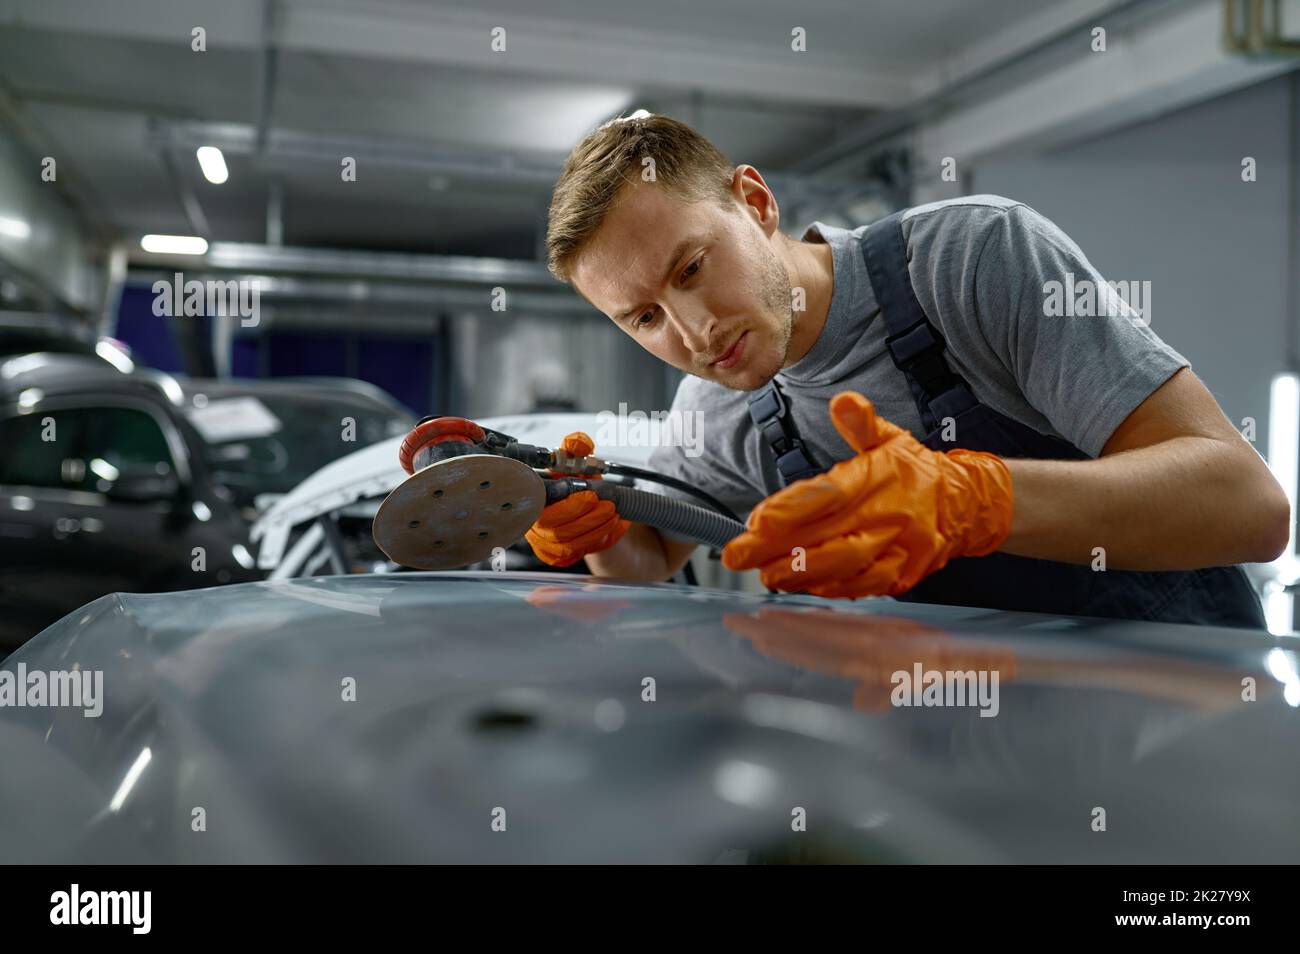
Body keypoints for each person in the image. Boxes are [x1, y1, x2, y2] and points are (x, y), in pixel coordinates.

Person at [526, 113, 1289, 628]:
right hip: (976, 764)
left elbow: (1249, 506)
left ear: (755, 202)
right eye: (645, 318)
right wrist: (597, 531)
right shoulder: (718, 411)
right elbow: (654, 560)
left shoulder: (973, 259)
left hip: (1183, 711)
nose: (694, 333)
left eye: (691, 268)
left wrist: (973, 501)